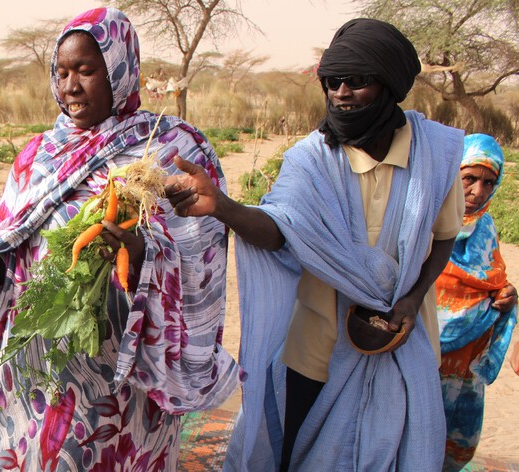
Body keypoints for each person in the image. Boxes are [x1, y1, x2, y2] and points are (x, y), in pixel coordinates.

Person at [0, 9, 239, 470]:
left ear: (119, 67)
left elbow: (200, 264)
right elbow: (6, 255)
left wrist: (137, 253)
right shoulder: (39, 156)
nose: (71, 85)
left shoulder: (170, 148)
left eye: (87, 70)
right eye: (62, 72)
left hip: (122, 373)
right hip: (35, 366)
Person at [168, 18, 464, 471]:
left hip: (401, 344)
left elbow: (443, 238)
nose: (341, 92)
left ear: (390, 85)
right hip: (315, 354)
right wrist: (225, 208)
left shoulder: (435, 156)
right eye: (332, 82)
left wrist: (414, 296)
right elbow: (279, 229)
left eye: (357, 81)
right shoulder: (311, 161)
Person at [436, 133, 517, 471]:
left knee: (455, 445)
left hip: (466, 369)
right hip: (424, 355)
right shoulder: (430, 222)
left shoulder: (486, 227)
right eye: (469, 178)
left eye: (489, 182)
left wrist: (507, 295)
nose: (478, 191)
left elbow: (492, 281)